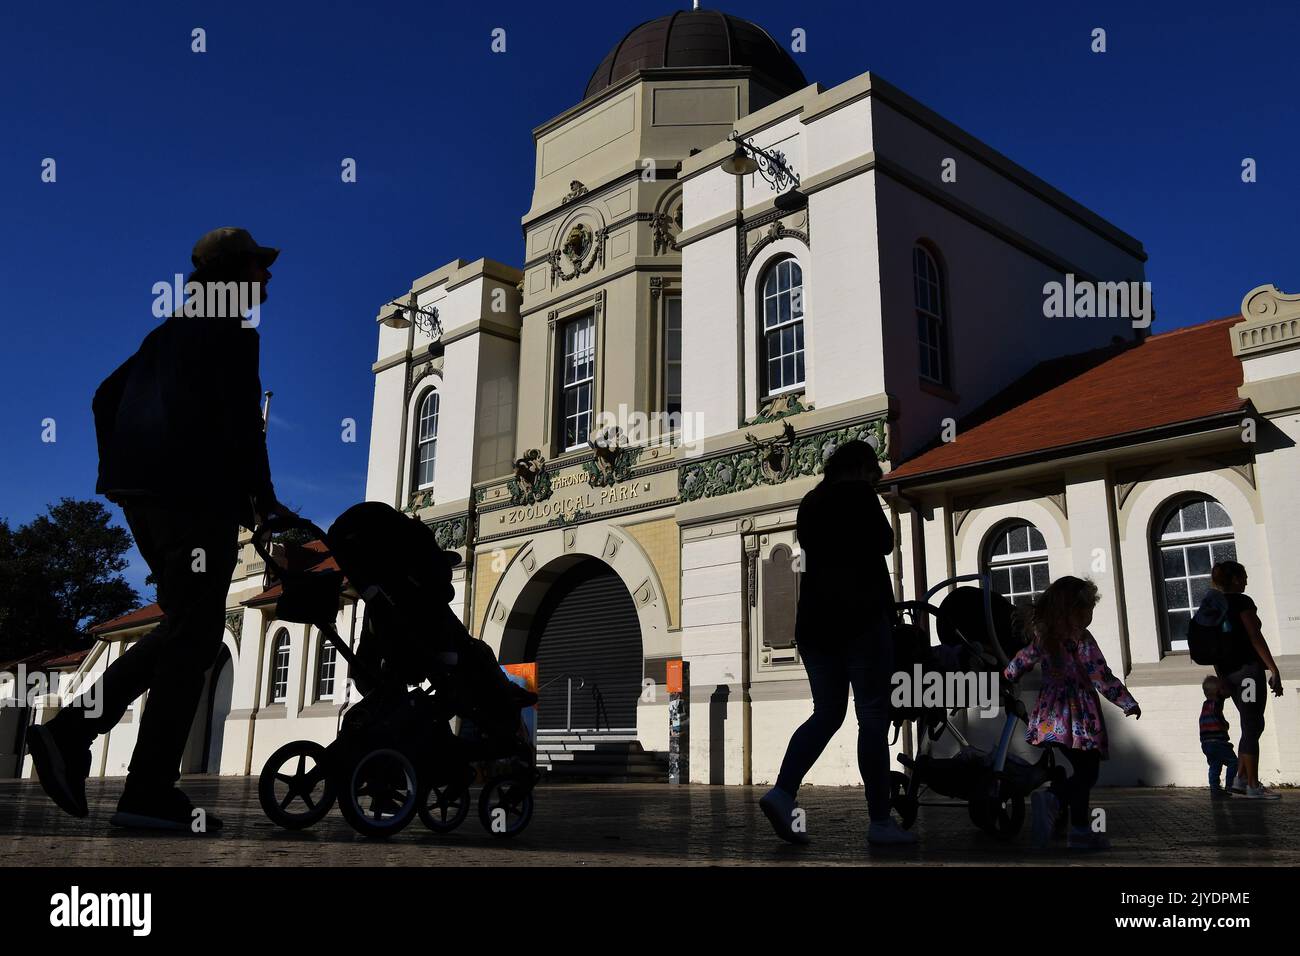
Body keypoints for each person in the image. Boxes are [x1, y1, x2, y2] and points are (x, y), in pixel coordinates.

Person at [28, 227, 292, 832]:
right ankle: (135, 782)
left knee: (187, 631)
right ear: (234, 272)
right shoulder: (232, 332)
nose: (268, 279)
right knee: (195, 634)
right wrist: (265, 502)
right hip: (195, 500)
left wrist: (121, 473)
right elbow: (243, 425)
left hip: (149, 498)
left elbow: (103, 398)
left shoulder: (165, 333)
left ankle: (90, 747)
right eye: (260, 267)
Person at [758, 439, 915, 846]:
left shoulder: (810, 502)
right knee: (873, 717)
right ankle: (880, 822)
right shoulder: (859, 495)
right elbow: (885, 542)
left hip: (814, 625)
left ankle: (782, 792)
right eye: (872, 477)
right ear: (861, 468)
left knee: (827, 713)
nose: (873, 484)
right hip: (862, 620)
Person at [1004, 576, 1141, 851]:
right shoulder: (1081, 638)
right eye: (1088, 607)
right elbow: (1100, 675)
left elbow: (1022, 659)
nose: (1091, 613)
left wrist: (1008, 675)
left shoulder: (1045, 635)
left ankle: (1079, 831)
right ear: (1075, 610)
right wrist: (1127, 702)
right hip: (1079, 716)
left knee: (1082, 772)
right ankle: (1054, 798)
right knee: (1087, 774)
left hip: (1051, 716)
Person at [1209, 561, 1283, 799]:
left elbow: (1214, 647)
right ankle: (1252, 784)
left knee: (1253, 724)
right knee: (1251, 725)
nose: (1247, 581)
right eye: (1244, 577)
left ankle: (1241, 779)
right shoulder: (1242, 602)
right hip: (1248, 673)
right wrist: (1273, 668)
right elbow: (1254, 635)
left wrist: (1221, 677)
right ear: (1236, 579)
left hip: (1229, 674)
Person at [1199, 676, 1238, 798]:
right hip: (1218, 742)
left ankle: (1215, 789)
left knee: (1215, 765)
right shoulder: (1216, 703)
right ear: (1218, 692)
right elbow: (1225, 695)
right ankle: (1230, 786)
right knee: (1234, 762)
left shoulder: (1205, 705)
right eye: (1223, 688)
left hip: (1206, 744)